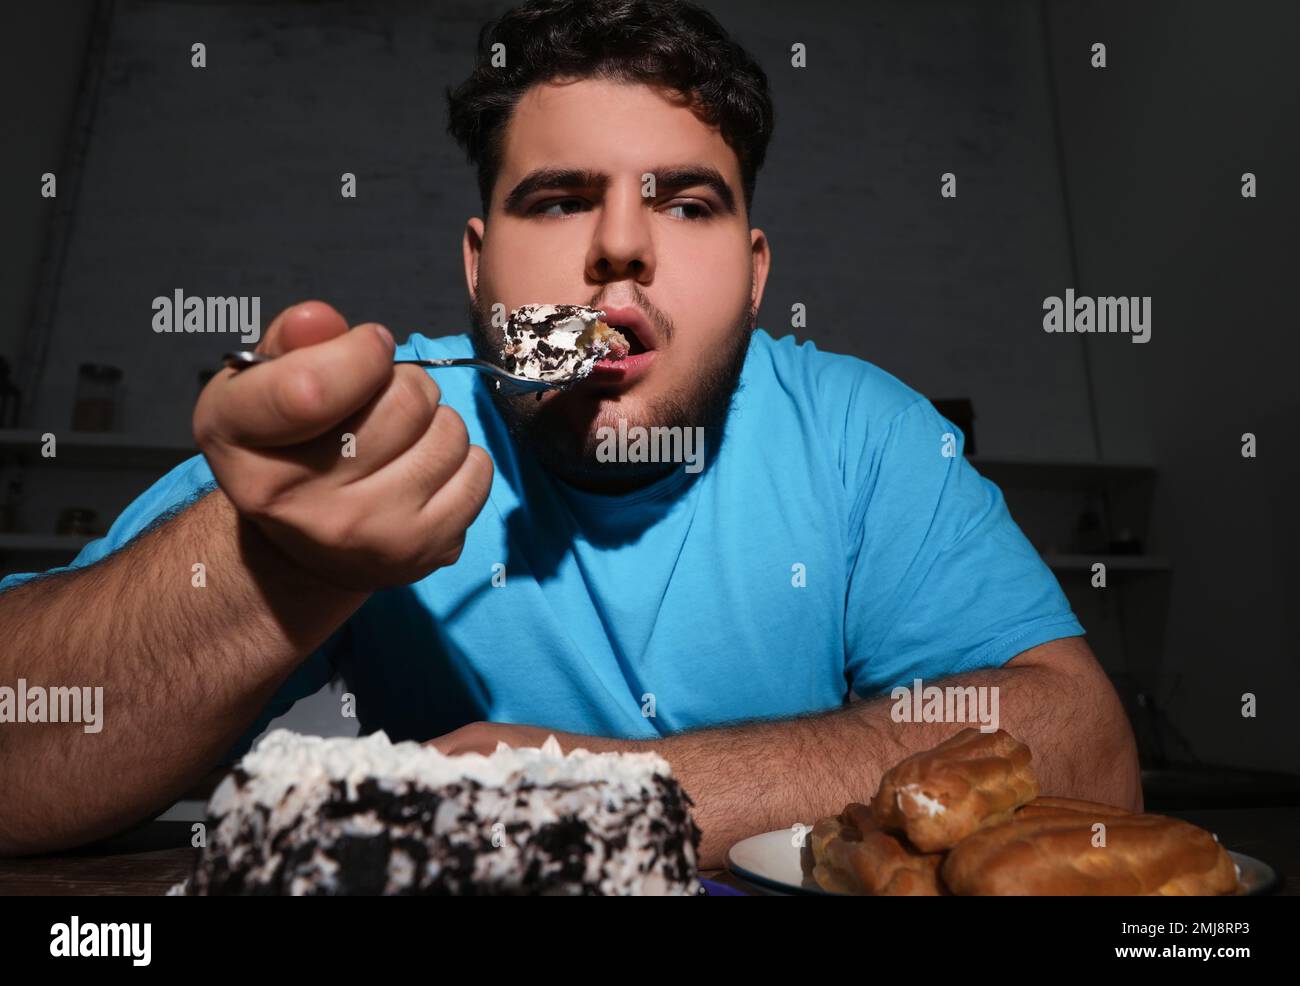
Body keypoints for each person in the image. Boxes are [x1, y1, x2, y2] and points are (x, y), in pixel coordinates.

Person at [0, 0, 1140, 866]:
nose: (619, 247)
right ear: (476, 265)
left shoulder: (860, 432)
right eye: (556, 199)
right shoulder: (382, 427)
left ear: (753, 278)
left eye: (686, 202)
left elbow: (1087, 744)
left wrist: (583, 789)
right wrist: (276, 564)